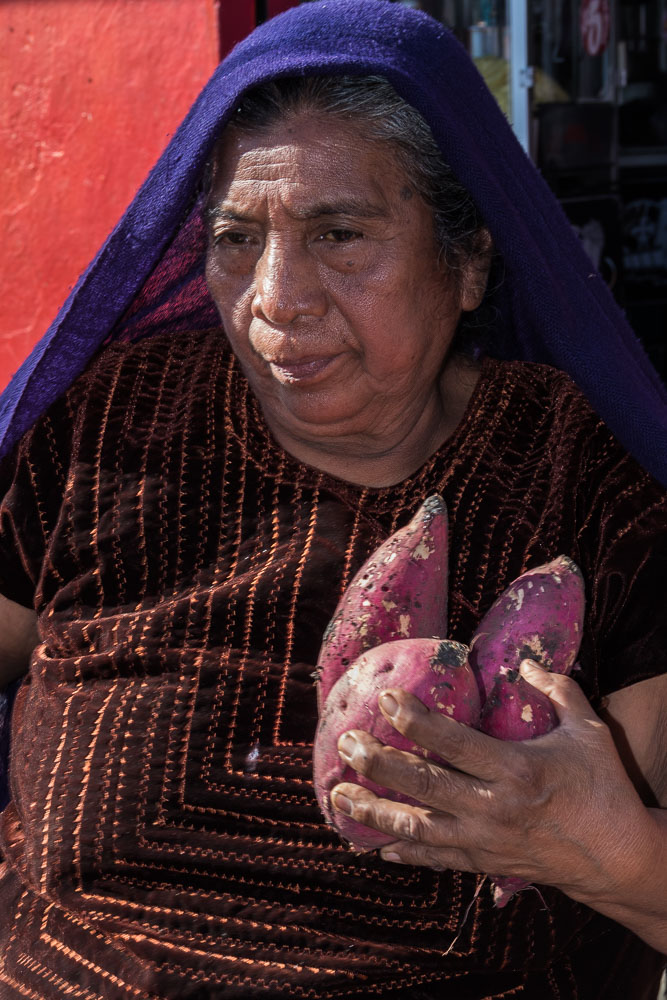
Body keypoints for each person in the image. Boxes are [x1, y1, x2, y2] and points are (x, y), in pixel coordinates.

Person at [0, 2, 664, 997]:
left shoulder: (579, 476)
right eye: (233, 237)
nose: (274, 297)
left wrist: (601, 850)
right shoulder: (114, 426)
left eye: (339, 232)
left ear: (470, 259)